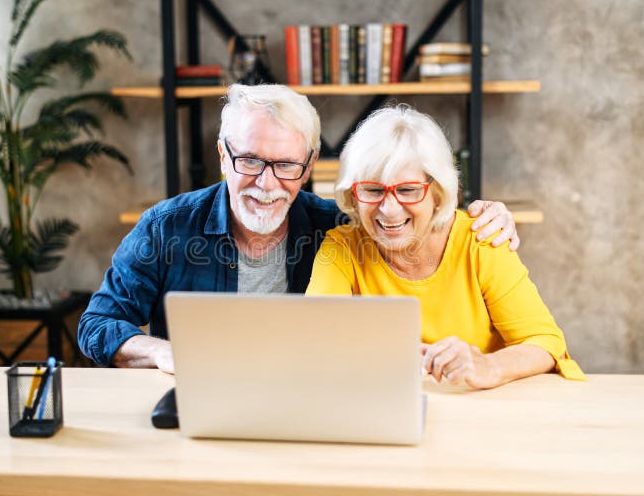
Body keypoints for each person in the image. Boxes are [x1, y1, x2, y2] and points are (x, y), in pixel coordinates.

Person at [78, 84, 520, 373]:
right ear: (222, 156)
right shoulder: (166, 227)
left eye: (286, 165)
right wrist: (161, 352)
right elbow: (97, 325)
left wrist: (482, 215)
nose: (266, 184)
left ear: (308, 166)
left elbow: (407, 221)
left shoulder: (336, 228)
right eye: (249, 160)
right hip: (194, 405)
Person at [305, 105, 585, 388]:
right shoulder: (341, 247)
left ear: (438, 193)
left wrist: (489, 365)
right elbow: (316, 339)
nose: (388, 209)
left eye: (407, 190)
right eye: (373, 190)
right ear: (353, 195)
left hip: (483, 409)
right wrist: (384, 356)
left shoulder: (481, 239)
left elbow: (546, 342)